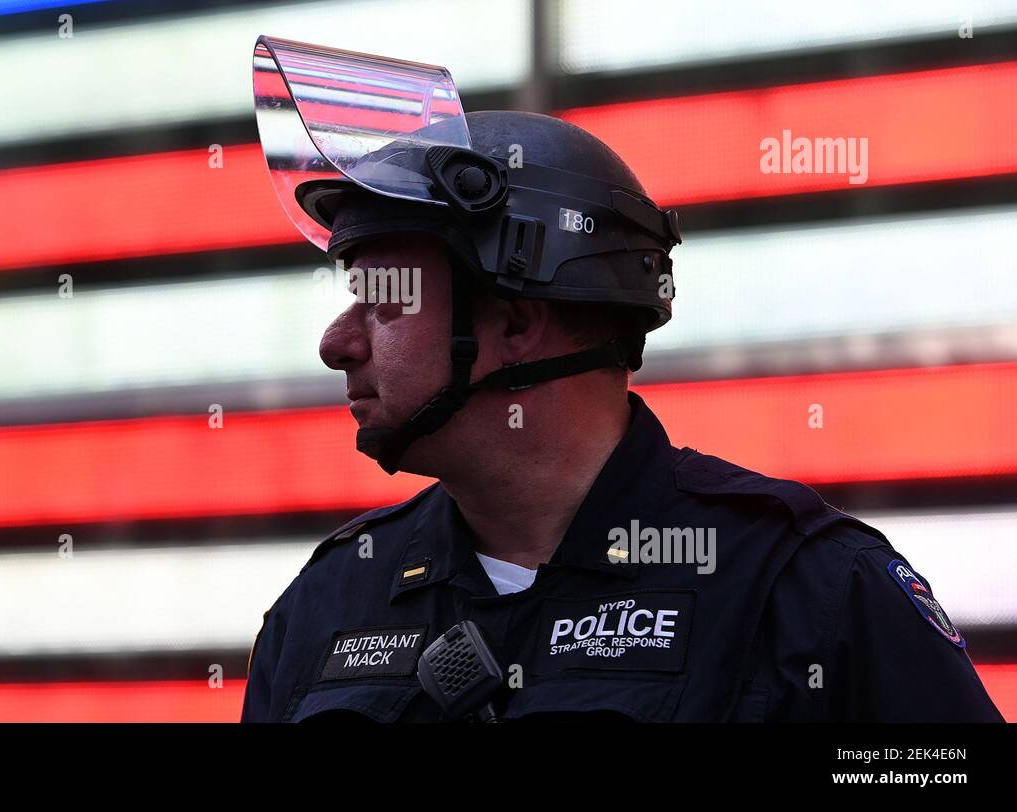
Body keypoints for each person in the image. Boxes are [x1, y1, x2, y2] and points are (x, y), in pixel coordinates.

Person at [239, 36, 1003, 722]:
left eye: (383, 300)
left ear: (512, 321)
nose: (336, 345)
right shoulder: (328, 603)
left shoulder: (808, 590)